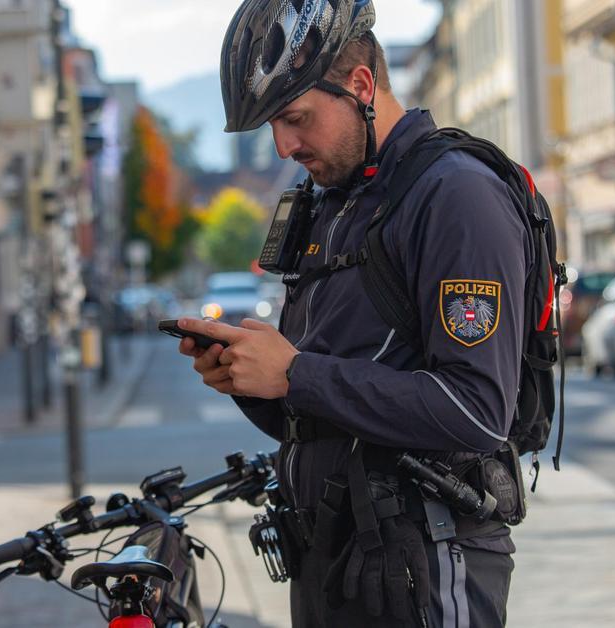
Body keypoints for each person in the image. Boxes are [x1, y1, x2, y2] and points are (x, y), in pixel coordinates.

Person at [178, 1, 532, 625]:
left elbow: (475, 411)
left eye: (295, 117)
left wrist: (295, 375)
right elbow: (335, 408)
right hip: (335, 553)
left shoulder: (454, 195)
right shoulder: (335, 201)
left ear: (360, 86)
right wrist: (251, 380)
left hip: (424, 560)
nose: (285, 145)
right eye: (272, 126)